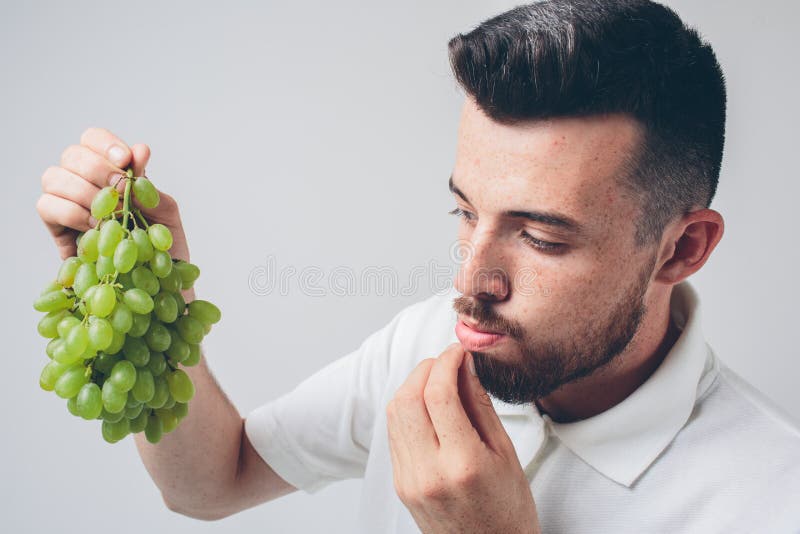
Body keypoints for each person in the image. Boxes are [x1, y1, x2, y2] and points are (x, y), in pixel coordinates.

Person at [36, 0, 800, 532]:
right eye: (466, 213)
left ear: (683, 248)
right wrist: (156, 288)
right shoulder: (431, 343)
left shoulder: (772, 501)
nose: (472, 282)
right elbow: (210, 481)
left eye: (541, 238)